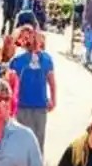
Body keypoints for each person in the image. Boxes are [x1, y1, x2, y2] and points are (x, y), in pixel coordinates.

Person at [8, 25, 56, 153]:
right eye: (28, 38)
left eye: (35, 37)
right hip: (22, 105)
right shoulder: (17, 61)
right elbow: (11, 84)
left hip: (40, 105)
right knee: (23, 139)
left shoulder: (46, 59)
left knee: (39, 139)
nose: (32, 41)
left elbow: (51, 81)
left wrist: (53, 99)